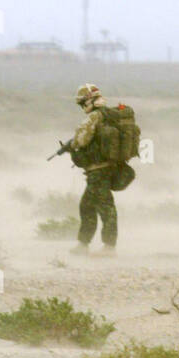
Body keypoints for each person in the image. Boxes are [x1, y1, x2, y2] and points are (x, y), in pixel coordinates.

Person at [63, 83, 118, 255]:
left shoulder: (94, 117)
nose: (82, 107)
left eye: (82, 104)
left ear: (88, 101)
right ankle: (83, 244)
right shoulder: (108, 115)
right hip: (106, 168)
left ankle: (108, 247)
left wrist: (72, 145)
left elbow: (82, 140)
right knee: (87, 205)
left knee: (105, 207)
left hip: (98, 170)